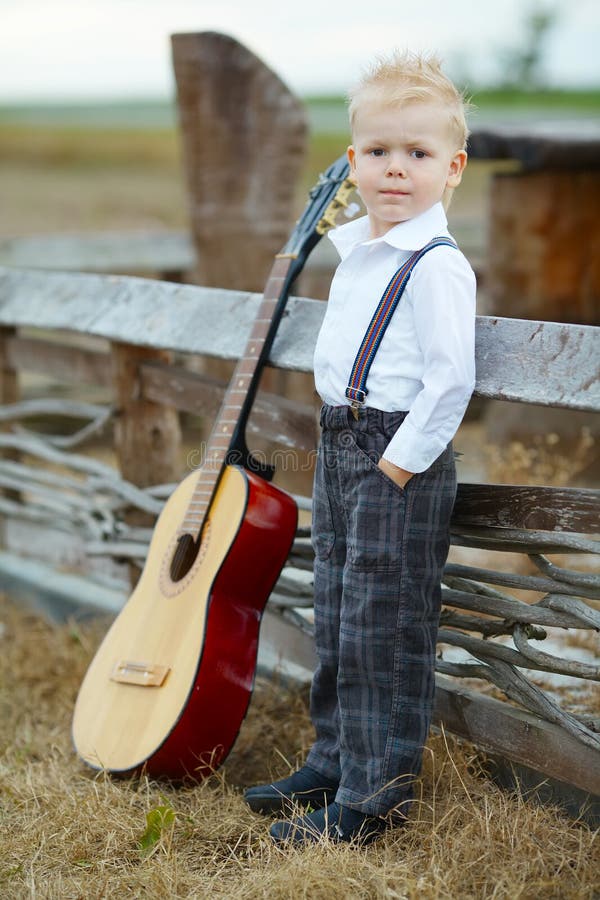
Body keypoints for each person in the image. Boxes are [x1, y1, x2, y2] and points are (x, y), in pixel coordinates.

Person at [244, 50, 476, 846]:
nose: (395, 170)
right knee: (339, 605)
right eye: (378, 152)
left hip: (393, 455)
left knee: (384, 623)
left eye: (417, 154)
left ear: (453, 169)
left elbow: (449, 379)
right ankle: (335, 758)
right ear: (353, 162)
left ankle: (373, 800)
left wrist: (398, 463)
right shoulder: (357, 254)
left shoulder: (436, 267)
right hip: (341, 440)